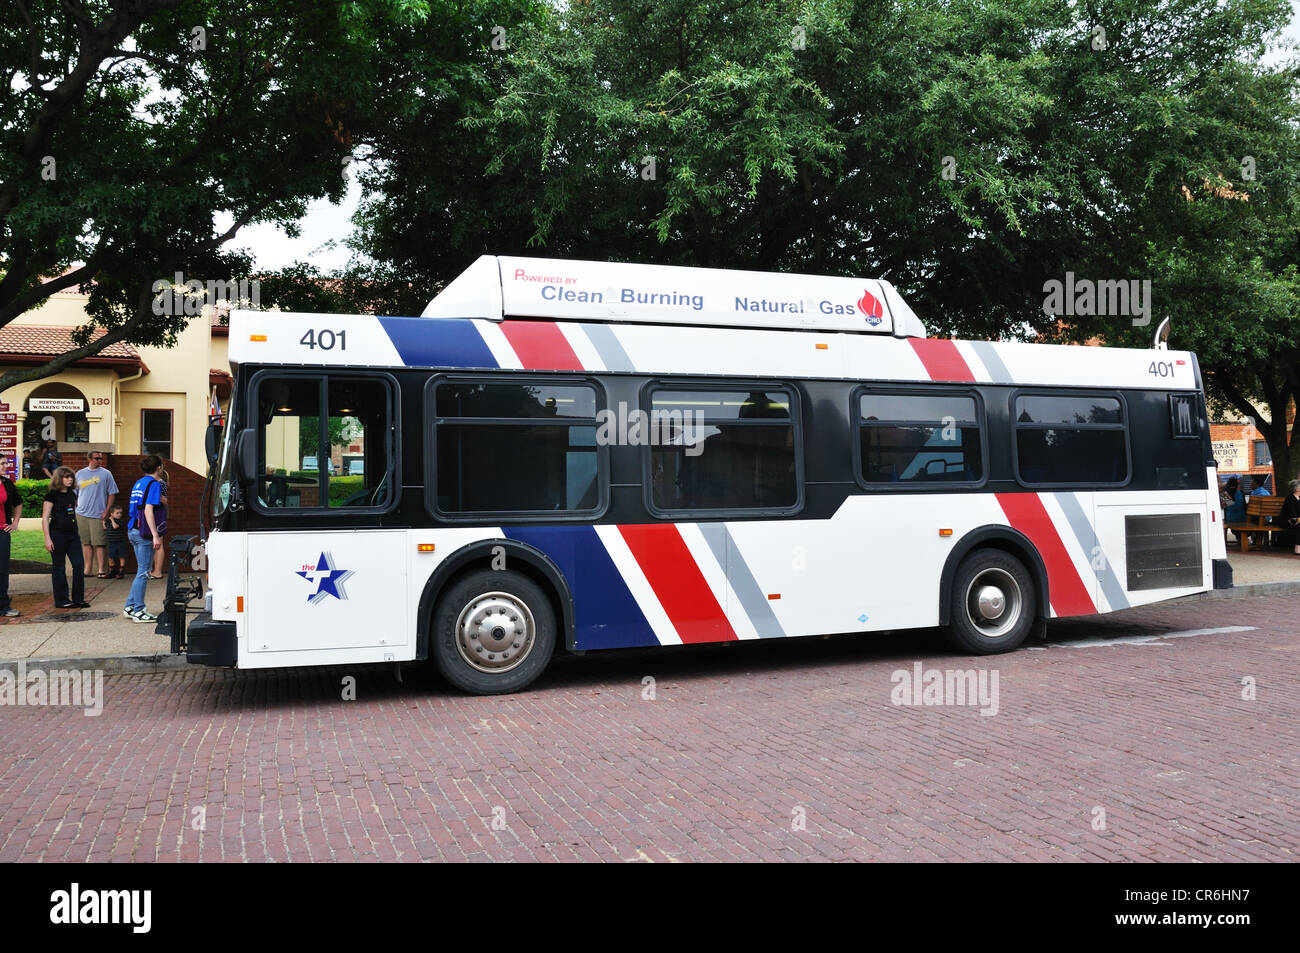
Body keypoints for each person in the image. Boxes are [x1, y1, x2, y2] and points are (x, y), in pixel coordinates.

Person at [124, 455, 165, 623]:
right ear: (159, 468)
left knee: (141, 571)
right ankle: (139, 611)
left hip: (132, 529)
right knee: (144, 572)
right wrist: (155, 535)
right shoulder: (155, 484)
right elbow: (148, 510)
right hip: (144, 533)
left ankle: (130, 606)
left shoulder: (139, 482)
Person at [42, 466, 88, 610]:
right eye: (66, 477)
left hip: (73, 535)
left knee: (79, 565)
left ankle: (78, 598)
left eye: (71, 477)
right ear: (59, 478)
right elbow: (45, 517)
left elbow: (72, 511)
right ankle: (61, 599)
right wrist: (47, 538)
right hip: (57, 534)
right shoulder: (52, 495)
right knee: (59, 567)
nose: (70, 480)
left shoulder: (72, 494)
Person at [74, 450, 117, 579]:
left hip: (98, 514)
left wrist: (107, 510)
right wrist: (76, 506)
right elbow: (74, 492)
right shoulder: (80, 474)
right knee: (86, 543)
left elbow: (112, 493)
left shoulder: (106, 474)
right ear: (90, 459)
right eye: (97, 458)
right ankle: (87, 570)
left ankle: (101, 570)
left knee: (100, 543)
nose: (100, 460)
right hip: (81, 514)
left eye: (101, 458)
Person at [0, 456, 24, 618]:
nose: (5, 466)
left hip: (2, 531)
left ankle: (3, 606)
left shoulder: (7, 484)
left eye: (5, 463)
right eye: (2, 463)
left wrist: (15, 523)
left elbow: (19, 503)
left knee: (2, 569)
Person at [149, 466, 170, 579]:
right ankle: (155, 570)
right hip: (158, 513)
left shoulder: (160, 483)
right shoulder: (159, 483)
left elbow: (161, 499)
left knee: (159, 542)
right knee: (156, 544)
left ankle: (157, 571)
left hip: (159, 513)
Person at [103, 503, 128, 578]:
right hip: (111, 543)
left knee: (121, 556)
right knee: (110, 557)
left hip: (120, 542)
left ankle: (121, 571)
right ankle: (112, 571)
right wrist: (103, 520)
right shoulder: (109, 521)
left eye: (120, 513)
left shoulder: (120, 521)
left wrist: (112, 520)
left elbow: (115, 527)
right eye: (117, 513)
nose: (119, 514)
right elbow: (105, 527)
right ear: (112, 514)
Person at [1280, 479, 1300, 556]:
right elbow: (1292, 513)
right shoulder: (1290, 498)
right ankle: (1298, 548)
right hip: (1287, 521)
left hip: (1297, 520)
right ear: (1297, 489)